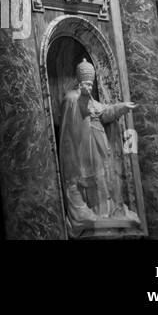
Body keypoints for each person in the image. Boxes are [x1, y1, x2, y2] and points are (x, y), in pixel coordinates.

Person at [58, 60, 135, 221]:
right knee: (91, 176)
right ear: (79, 82)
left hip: (100, 141)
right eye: (86, 83)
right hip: (84, 144)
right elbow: (70, 122)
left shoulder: (94, 102)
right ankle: (95, 211)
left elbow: (106, 112)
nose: (89, 87)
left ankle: (107, 212)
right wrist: (80, 97)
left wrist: (123, 107)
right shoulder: (72, 98)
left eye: (91, 84)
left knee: (105, 175)